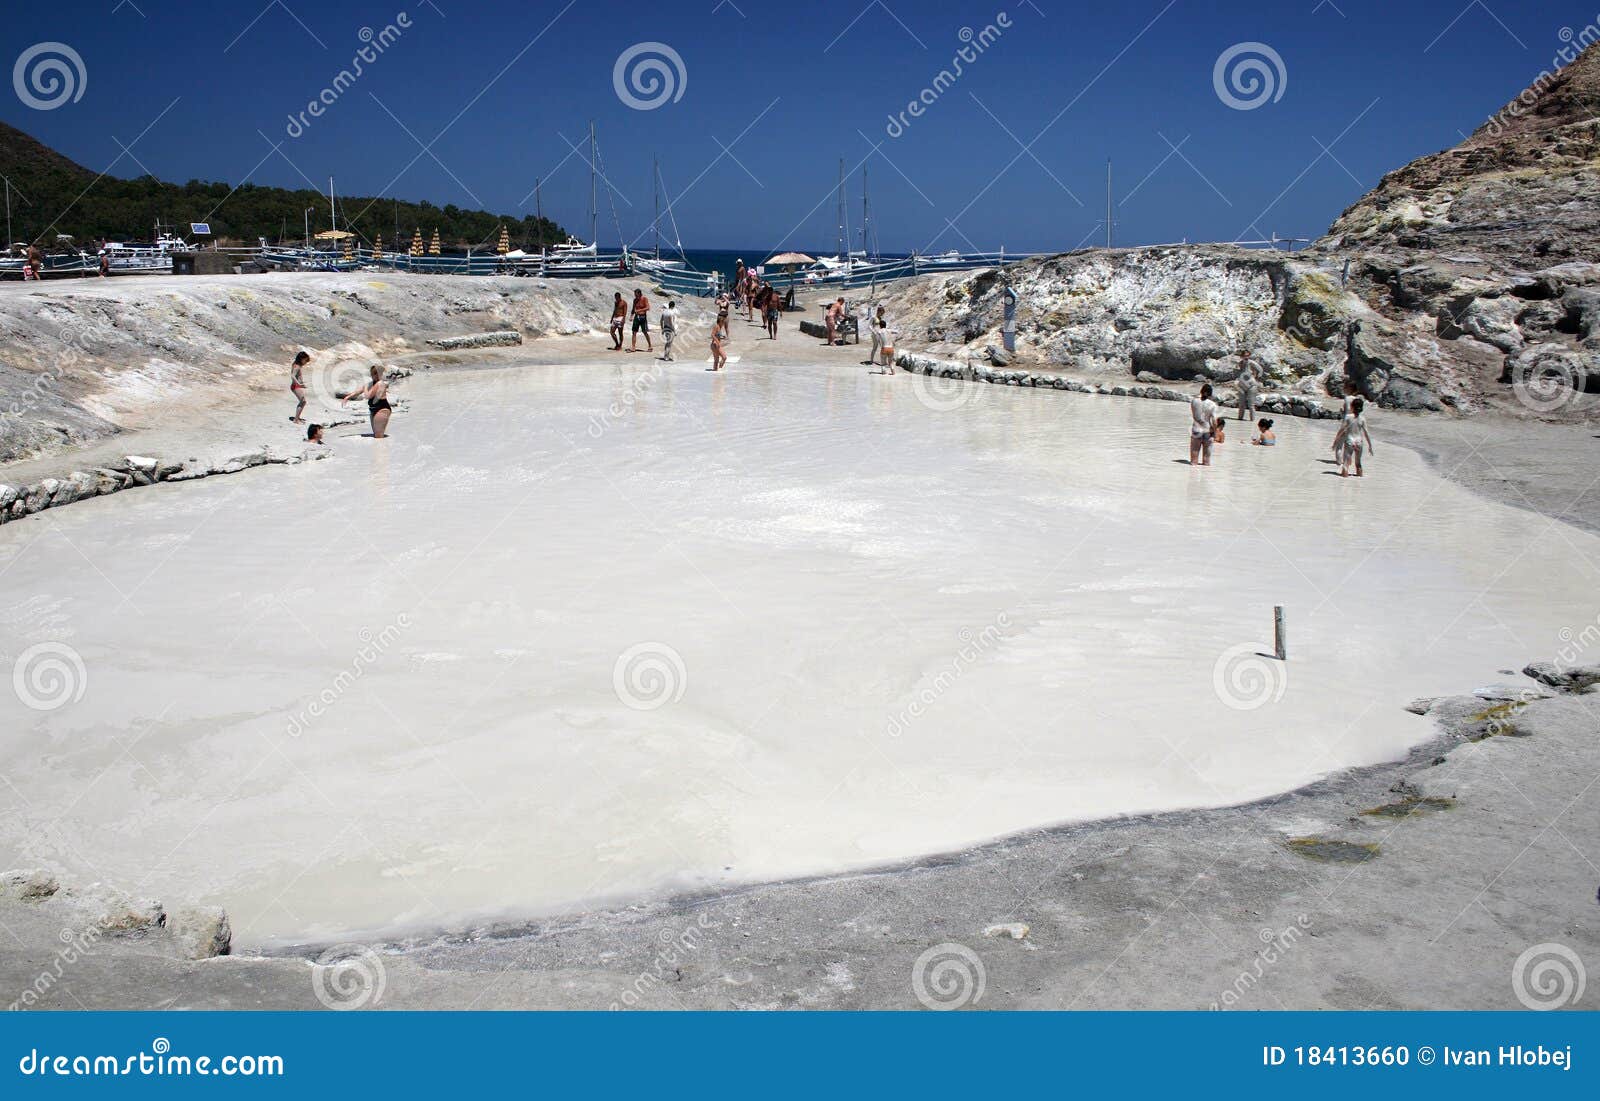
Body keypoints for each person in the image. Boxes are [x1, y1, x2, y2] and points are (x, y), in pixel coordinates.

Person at [343, 365, 393, 439]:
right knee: (376, 436)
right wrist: (347, 397)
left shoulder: (380, 384)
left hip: (382, 410)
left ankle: (382, 450)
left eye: (379, 373)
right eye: (375, 373)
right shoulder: (371, 383)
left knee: (379, 436)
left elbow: (368, 396)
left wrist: (366, 387)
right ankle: (378, 450)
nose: (377, 375)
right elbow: (359, 391)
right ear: (371, 374)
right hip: (373, 410)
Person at [1333, 397, 1374, 477]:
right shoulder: (1362, 419)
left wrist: (1335, 441)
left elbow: (1342, 430)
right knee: (1358, 464)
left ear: (1351, 406)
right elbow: (1366, 433)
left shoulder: (1348, 417)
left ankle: (1343, 484)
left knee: (1346, 464)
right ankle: (1359, 482)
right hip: (1359, 442)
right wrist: (1370, 446)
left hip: (1349, 441)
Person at [1189, 383, 1220, 466]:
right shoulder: (1212, 405)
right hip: (1207, 431)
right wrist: (1215, 432)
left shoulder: (1194, 401)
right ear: (1210, 394)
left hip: (1196, 429)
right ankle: (1206, 477)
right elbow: (1214, 420)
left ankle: (1192, 477)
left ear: (1201, 391)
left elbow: (1194, 415)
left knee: (1193, 462)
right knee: (1206, 462)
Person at [1236, 350, 1260, 422]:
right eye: (1245, 356)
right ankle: (1240, 419)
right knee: (1241, 404)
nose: (1246, 357)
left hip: (1251, 385)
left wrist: (1255, 377)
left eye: (1247, 355)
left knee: (1251, 404)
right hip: (1242, 385)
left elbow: (1259, 370)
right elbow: (1237, 373)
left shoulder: (1252, 363)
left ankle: (1252, 420)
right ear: (1242, 356)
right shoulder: (1239, 364)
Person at [289, 350, 311, 424]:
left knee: (303, 401)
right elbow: (292, 376)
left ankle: (297, 418)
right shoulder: (297, 366)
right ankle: (296, 420)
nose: (306, 362)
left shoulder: (296, 364)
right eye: (305, 360)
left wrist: (301, 383)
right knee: (303, 401)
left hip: (296, 386)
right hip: (295, 386)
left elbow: (298, 376)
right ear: (302, 359)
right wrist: (299, 384)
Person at [629, 288, 652, 353]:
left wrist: (639, 310)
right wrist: (631, 316)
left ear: (639, 294)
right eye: (635, 295)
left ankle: (650, 346)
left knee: (644, 332)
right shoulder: (635, 300)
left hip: (643, 317)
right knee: (634, 332)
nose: (635, 296)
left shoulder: (644, 299)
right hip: (636, 317)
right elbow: (633, 309)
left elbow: (648, 308)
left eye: (636, 295)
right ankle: (633, 347)